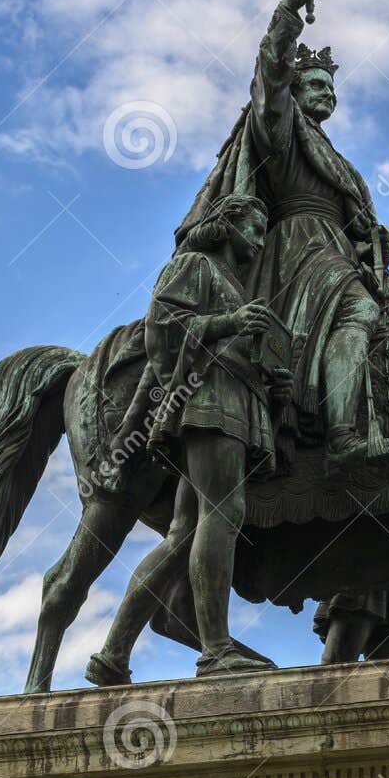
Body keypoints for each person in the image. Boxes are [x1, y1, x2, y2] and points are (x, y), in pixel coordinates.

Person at [176, 0, 389, 475]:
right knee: (360, 313)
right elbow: (270, 78)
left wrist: (372, 234)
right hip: (300, 253)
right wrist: (288, 10)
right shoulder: (282, 130)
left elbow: (354, 218)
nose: (328, 93)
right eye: (316, 85)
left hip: (335, 250)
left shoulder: (334, 157)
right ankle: (343, 436)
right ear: (296, 94)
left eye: (331, 86)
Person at [86, 194, 290, 682]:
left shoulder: (230, 283)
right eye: (255, 228)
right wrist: (231, 323)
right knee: (225, 513)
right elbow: (164, 327)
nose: (261, 241)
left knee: (182, 535)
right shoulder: (194, 265)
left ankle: (113, 654)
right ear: (226, 226)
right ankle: (216, 650)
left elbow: (231, 343)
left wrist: (272, 378)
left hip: (232, 400)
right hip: (208, 403)